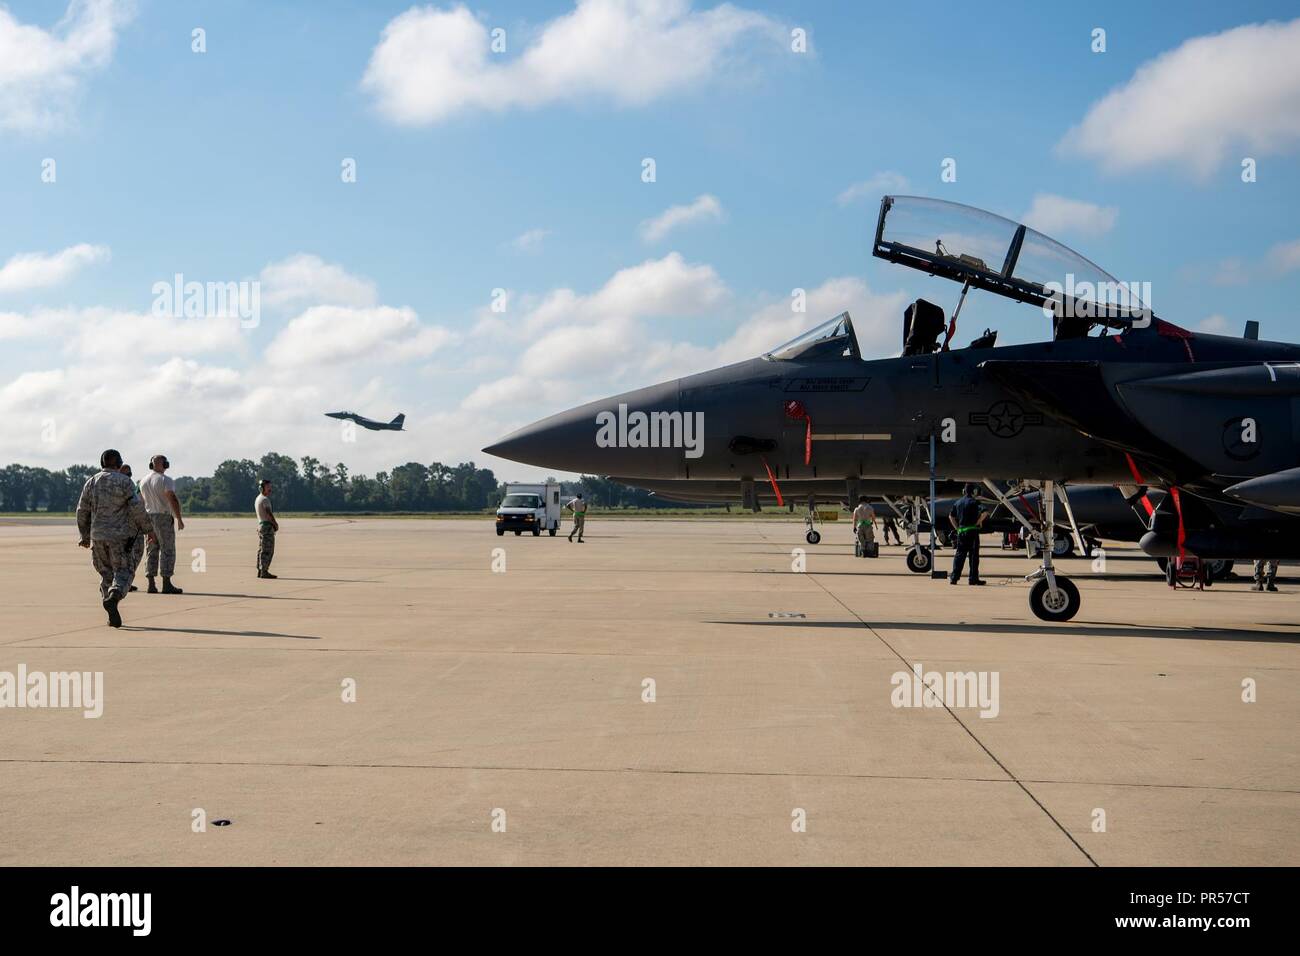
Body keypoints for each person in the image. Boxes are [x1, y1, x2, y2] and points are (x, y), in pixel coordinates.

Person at [77, 449, 154, 627]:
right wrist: (148, 529)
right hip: (119, 537)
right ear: (119, 463)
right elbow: (136, 507)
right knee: (124, 572)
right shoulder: (124, 481)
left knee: (106, 574)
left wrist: (84, 535)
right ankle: (114, 596)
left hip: (98, 537)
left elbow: (82, 510)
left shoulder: (91, 482)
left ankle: (110, 611)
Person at [140, 454, 185, 594]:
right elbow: (172, 498)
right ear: (164, 464)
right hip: (163, 517)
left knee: (151, 550)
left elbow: (141, 502)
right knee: (167, 549)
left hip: (148, 516)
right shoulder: (166, 480)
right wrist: (179, 518)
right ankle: (166, 583)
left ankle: (151, 584)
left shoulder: (143, 481)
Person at [948, 483, 988, 585]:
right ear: (973, 491)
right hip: (972, 532)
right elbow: (985, 512)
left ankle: (954, 578)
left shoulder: (958, 502)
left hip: (961, 532)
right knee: (973, 556)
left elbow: (951, 516)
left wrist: (957, 528)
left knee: (959, 555)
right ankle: (973, 579)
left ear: (964, 491)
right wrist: (978, 522)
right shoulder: (975, 502)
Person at [118, 463, 146, 592]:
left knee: (138, 552)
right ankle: (121, 582)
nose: (128, 476)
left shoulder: (132, 486)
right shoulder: (116, 487)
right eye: (125, 473)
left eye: (129, 474)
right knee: (124, 555)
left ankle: (126, 581)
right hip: (123, 527)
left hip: (135, 526)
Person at [255, 479, 279, 578]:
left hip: (261, 525)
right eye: (268, 487)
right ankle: (264, 571)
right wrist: (275, 524)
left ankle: (260, 570)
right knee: (268, 550)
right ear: (262, 488)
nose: (270, 489)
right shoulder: (265, 499)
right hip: (267, 526)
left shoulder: (258, 498)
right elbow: (269, 514)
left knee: (262, 549)